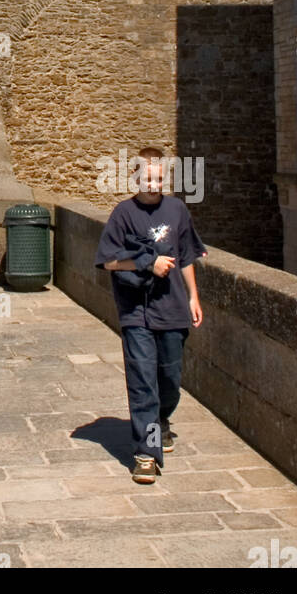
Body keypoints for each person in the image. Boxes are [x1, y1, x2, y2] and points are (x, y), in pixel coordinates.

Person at [94, 146, 207, 485]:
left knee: (170, 381)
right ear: (135, 177)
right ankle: (147, 454)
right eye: (147, 178)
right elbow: (108, 262)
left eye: (159, 178)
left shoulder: (177, 210)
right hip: (136, 310)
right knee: (144, 383)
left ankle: (162, 419)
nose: (153, 184)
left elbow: (186, 256)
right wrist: (146, 262)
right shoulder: (123, 214)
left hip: (172, 308)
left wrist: (193, 297)